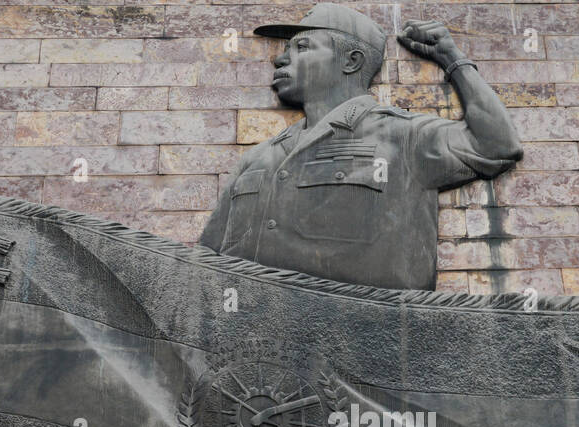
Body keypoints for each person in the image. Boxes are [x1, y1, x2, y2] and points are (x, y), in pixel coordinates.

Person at [200, 4, 522, 290]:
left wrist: (453, 61)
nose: (281, 58)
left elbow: (496, 145)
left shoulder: (402, 135)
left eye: (302, 47)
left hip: (367, 340)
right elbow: (202, 264)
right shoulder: (258, 158)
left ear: (352, 61)